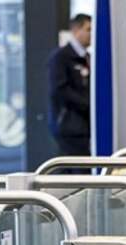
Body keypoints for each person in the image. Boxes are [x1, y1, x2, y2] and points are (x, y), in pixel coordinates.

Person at [48, 14, 93, 157]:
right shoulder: (61, 57)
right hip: (70, 127)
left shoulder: (87, 58)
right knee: (78, 171)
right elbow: (59, 90)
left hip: (85, 126)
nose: (91, 34)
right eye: (88, 29)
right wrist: (87, 104)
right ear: (76, 30)